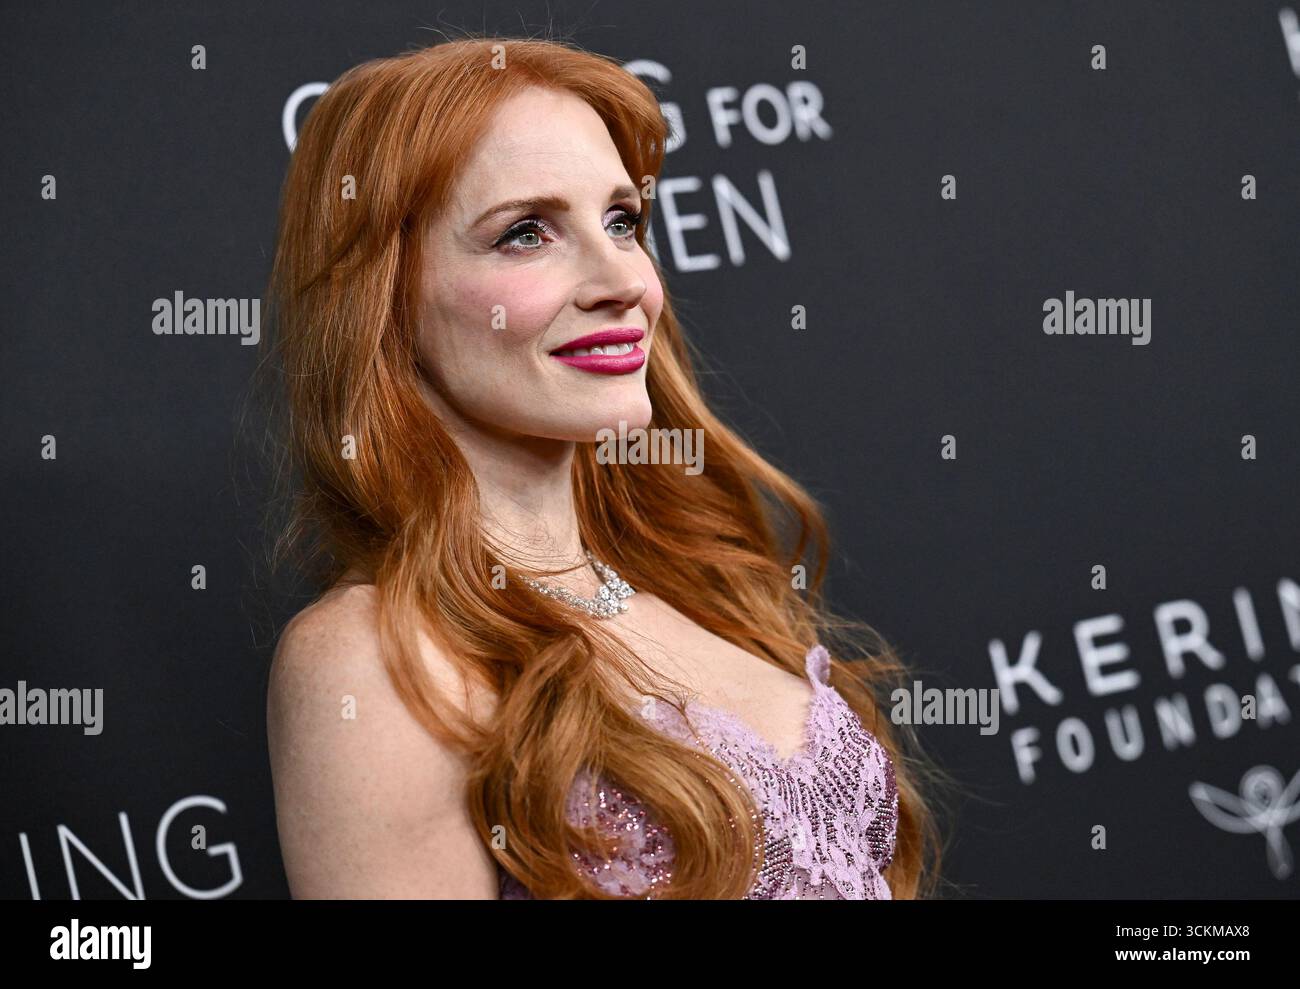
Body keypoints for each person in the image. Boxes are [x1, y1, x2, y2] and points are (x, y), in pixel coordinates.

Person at [261, 33, 946, 899]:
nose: (620, 275)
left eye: (623, 221)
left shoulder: (707, 592)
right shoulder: (372, 658)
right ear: (386, 301)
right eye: (525, 233)